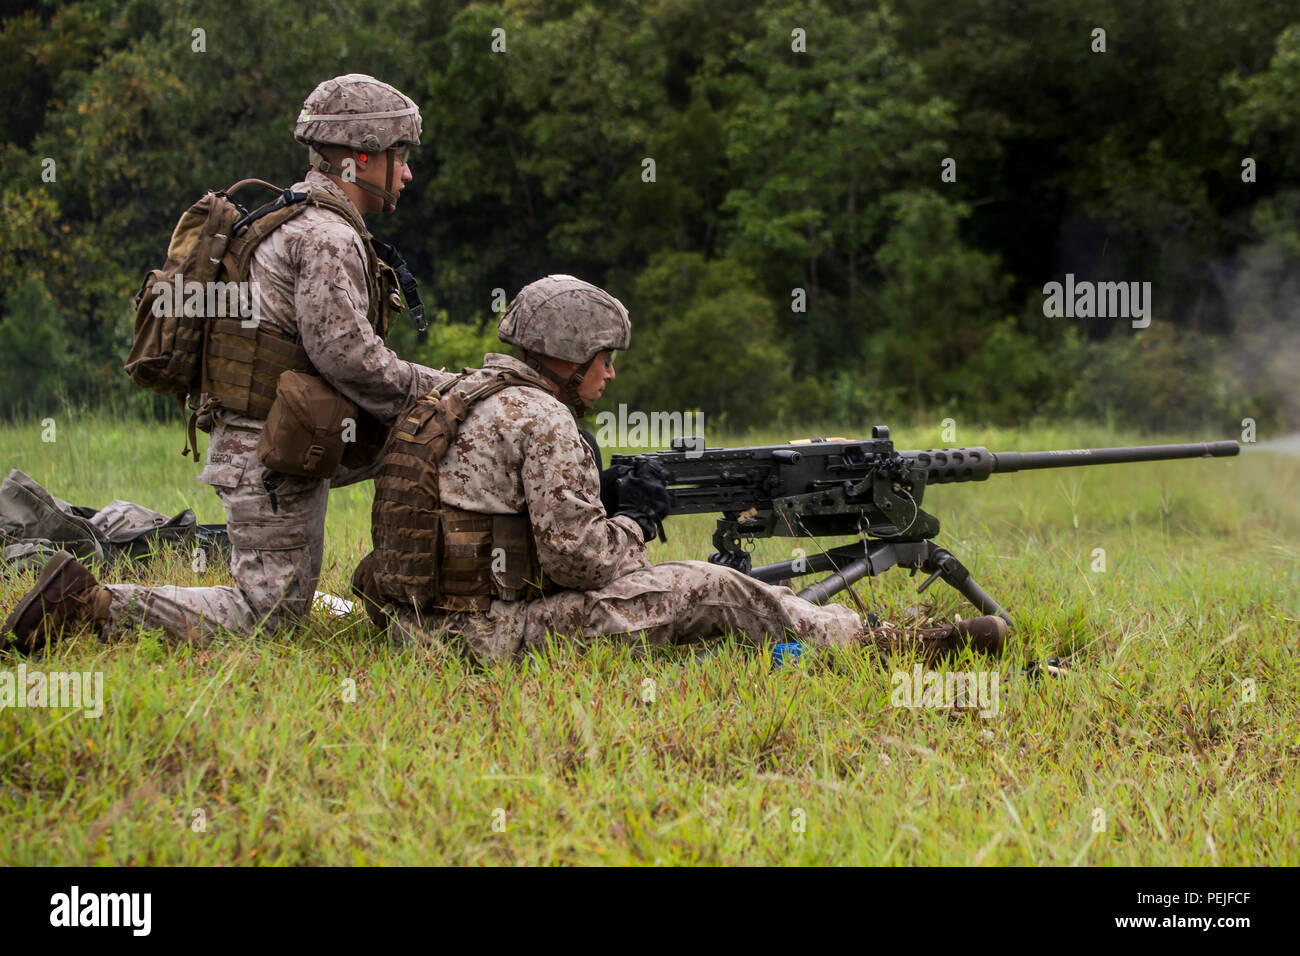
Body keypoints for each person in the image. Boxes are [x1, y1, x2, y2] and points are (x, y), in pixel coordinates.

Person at [2, 73, 453, 653]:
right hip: (270, 453)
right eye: (400, 156)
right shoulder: (325, 235)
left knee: (423, 442)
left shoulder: (294, 218)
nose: (408, 172)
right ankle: (86, 604)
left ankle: (411, 593)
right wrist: (451, 389)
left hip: (271, 444)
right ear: (361, 158)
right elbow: (349, 359)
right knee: (265, 615)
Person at [352, 274, 1007, 661]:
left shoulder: (457, 393)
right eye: (605, 357)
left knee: (711, 597)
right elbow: (581, 564)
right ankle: (894, 645)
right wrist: (635, 519)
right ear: (571, 354)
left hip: (417, 627)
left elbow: (484, 514)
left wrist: (598, 495)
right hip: (489, 640)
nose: (611, 372)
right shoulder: (543, 417)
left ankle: (818, 632)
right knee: (712, 585)